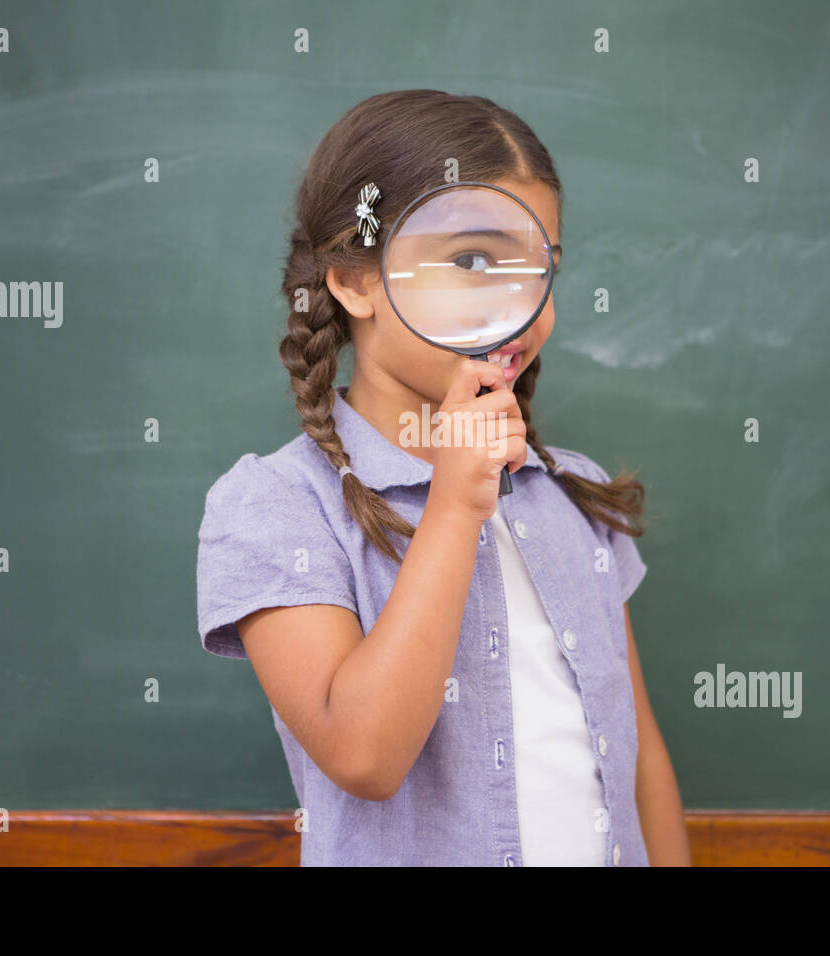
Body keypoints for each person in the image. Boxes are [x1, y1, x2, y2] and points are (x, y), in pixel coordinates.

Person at [197, 89, 690, 866]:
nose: (519, 303)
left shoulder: (572, 495)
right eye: (471, 261)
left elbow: (641, 765)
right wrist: (456, 507)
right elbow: (364, 755)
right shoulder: (276, 508)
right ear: (355, 280)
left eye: (540, 268)